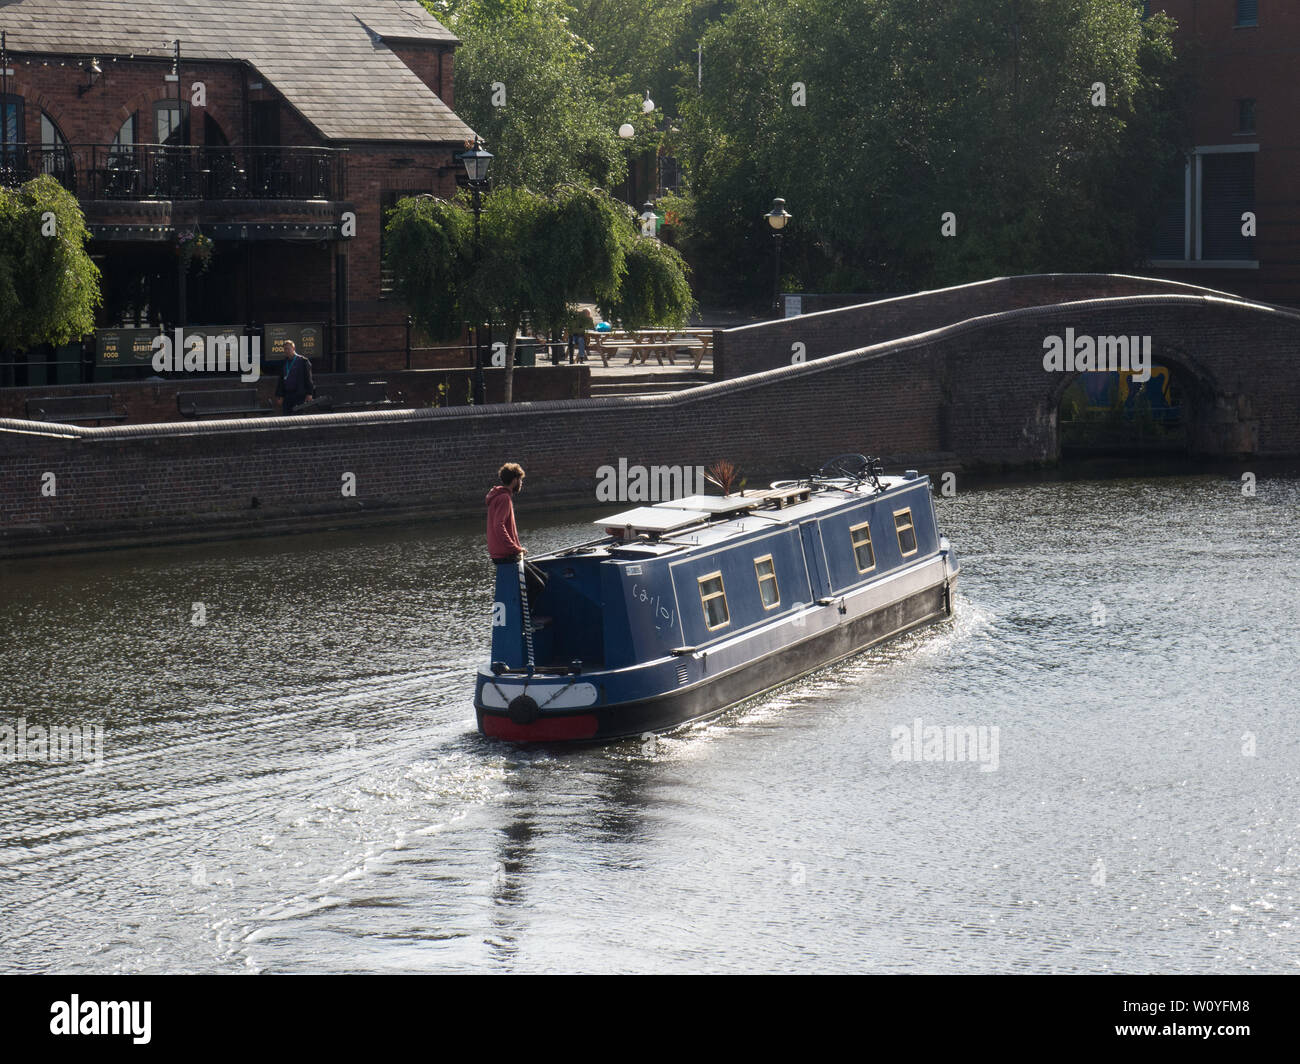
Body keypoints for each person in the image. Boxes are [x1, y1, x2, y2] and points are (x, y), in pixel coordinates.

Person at [486, 462, 526, 563]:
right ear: (514, 480)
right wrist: (515, 548)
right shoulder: (504, 498)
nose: (521, 482)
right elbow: (498, 526)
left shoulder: (497, 497)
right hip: (506, 554)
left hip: (498, 553)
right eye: (520, 479)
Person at [274, 340, 314, 414]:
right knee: (286, 417)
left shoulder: (303, 361)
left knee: (298, 417)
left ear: (293, 348)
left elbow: (308, 378)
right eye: (285, 349)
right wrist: (279, 395)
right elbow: (281, 380)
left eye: (288, 348)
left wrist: (309, 393)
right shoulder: (284, 362)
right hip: (287, 395)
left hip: (299, 395)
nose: (286, 351)